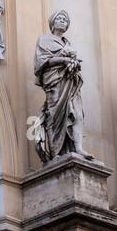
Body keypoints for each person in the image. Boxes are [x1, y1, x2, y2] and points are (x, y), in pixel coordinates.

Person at [34, 10, 88, 161]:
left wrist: (74, 64)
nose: (63, 20)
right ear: (52, 23)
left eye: (65, 19)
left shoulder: (68, 43)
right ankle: (54, 153)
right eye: (60, 18)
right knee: (55, 116)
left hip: (71, 81)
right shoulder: (44, 40)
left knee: (77, 113)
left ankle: (78, 148)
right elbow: (41, 62)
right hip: (54, 82)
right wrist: (63, 60)